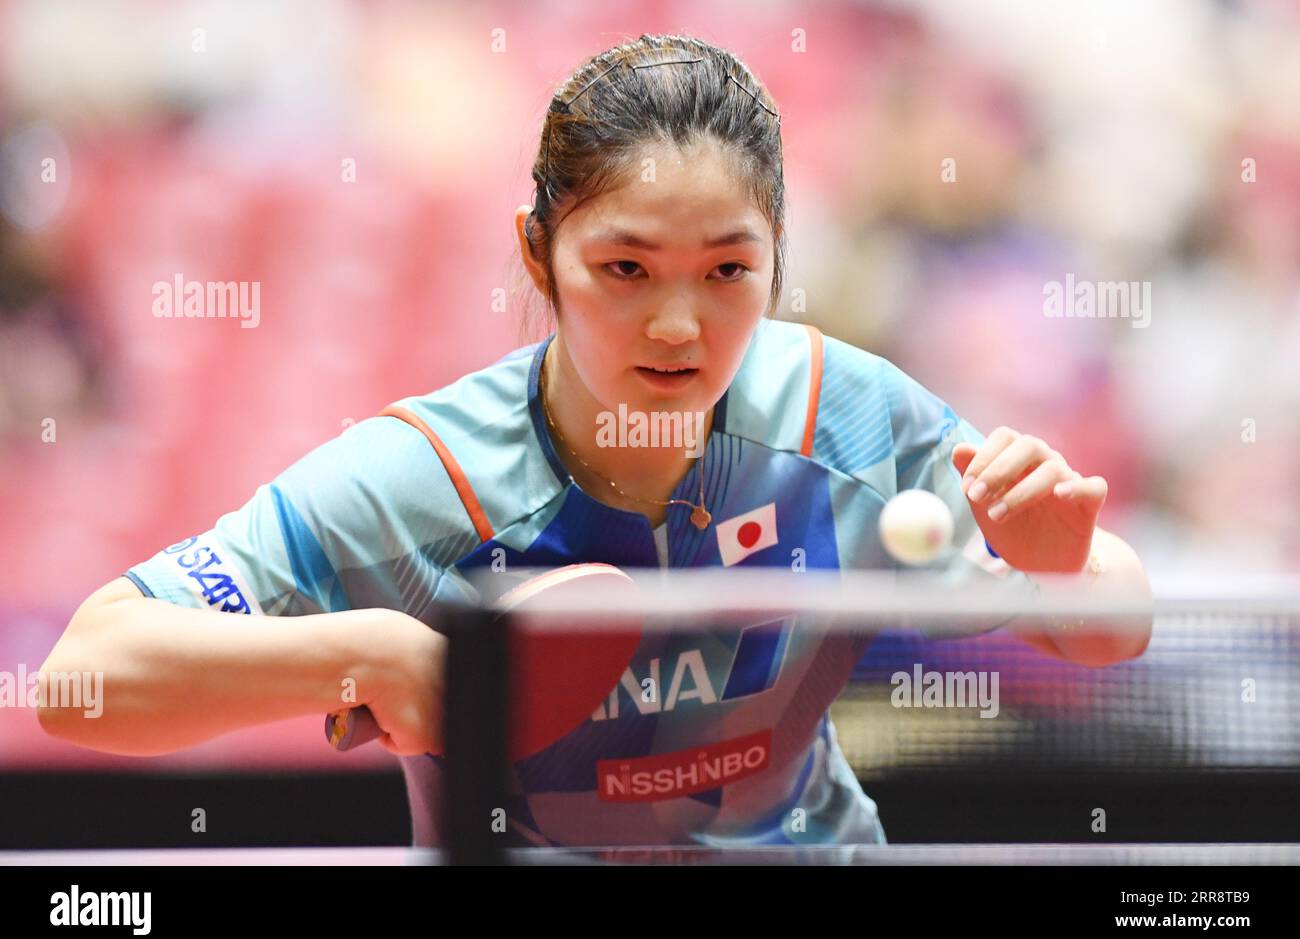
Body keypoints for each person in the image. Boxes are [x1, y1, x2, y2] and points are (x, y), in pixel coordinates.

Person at [39, 34, 1150, 848]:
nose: (677, 324)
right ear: (538, 255)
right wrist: (374, 653)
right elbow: (82, 678)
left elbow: (1111, 631)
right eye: (624, 269)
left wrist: (1062, 564)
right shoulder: (432, 481)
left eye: (727, 271)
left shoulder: (839, 415)